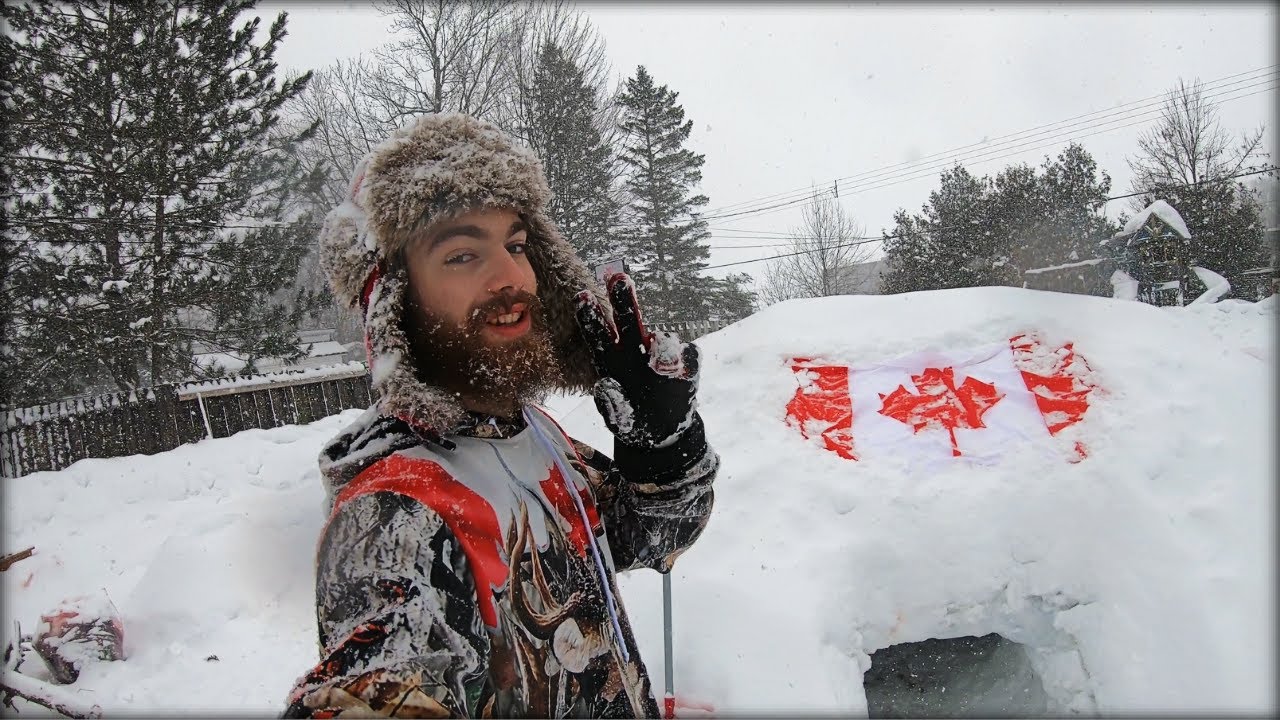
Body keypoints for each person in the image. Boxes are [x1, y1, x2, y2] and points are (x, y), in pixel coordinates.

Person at [282, 113, 718, 718]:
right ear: (394, 300)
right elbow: (375, 687)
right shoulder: (394, 511)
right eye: (462, 254)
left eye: (516, 245)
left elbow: (657, 537)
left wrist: (661, 446)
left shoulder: (533, 436)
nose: (511, 275)